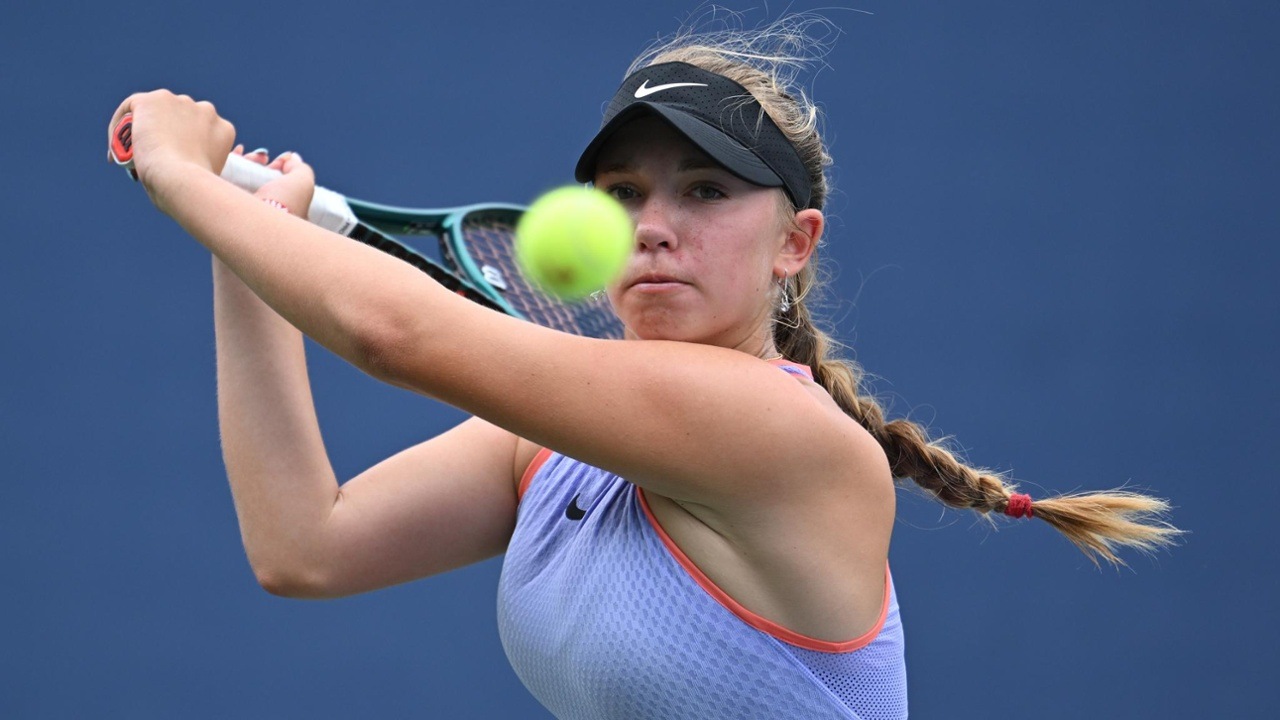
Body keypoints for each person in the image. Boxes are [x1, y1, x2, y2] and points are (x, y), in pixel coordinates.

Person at [108, 20, 1179, 720]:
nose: (653, 227)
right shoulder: (549, 438)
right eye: (622, 195)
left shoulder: (780, 434)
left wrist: (174, 170)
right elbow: (306, 546)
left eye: (705, 193)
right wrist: (243, 249)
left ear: (792, 245)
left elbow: (396, 336)